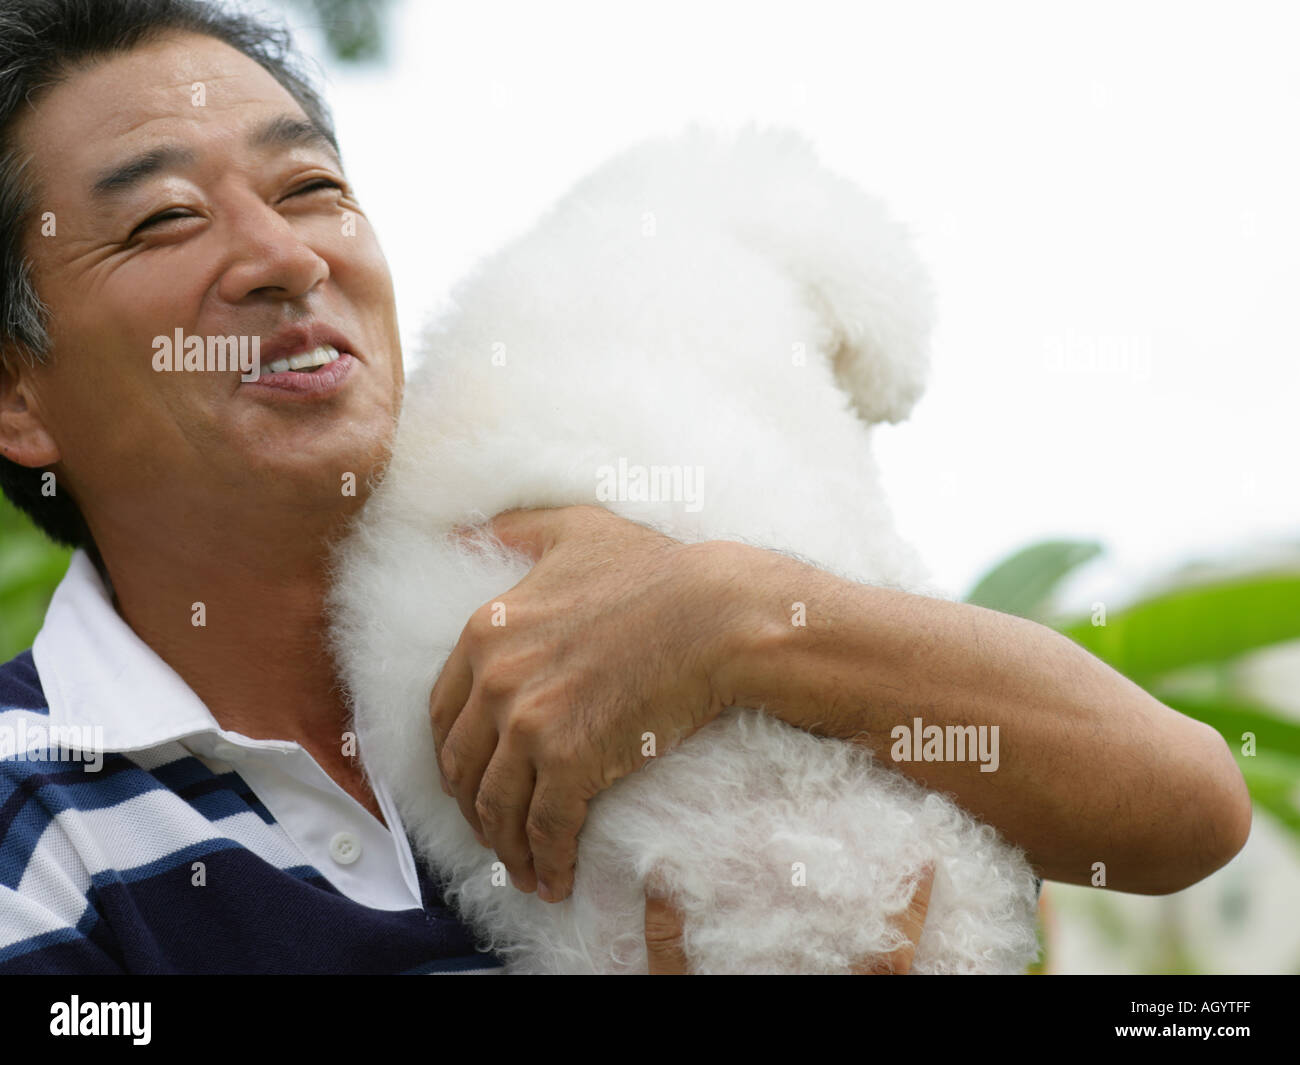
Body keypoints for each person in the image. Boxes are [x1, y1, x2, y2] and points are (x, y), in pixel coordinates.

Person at [0, 0, 1250, 975]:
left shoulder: (575, 546)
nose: (284, 256)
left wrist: (731, 615)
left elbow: (1185, 810)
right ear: (19, 396)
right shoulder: (32, 819)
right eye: (164, 220)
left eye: (310, 186)